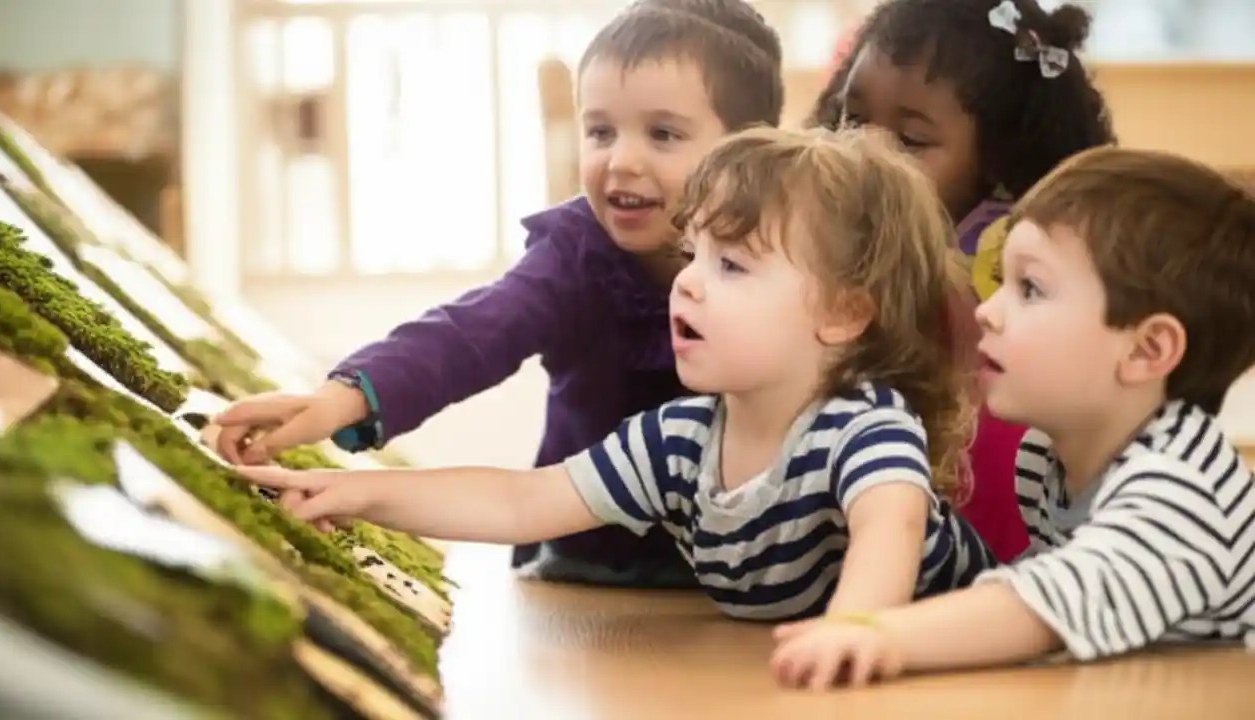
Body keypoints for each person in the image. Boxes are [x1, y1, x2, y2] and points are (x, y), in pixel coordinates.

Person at [237, 126, 997, 622]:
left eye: (731, 265)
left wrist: (846, 646)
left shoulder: (865, 425)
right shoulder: (680, 442)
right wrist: (354, 490)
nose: (688, 284)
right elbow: (520, 502)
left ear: (842, 312)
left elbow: (889, 530)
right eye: (691, 255)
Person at [210, 0, 784, 588]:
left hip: (742, 574)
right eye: (600, 130)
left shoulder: (788, 262)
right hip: (583, 564)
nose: (621, 160)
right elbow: (469, 334)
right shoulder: (575, 256)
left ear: (748, 150)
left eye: (663, 134)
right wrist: (340, 399)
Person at [770, 145, 1255, 689]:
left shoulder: (1182, 490)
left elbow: (1047, 602)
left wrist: (882, 634)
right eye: (1002, 281)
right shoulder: (1045, 461)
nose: (986, 311)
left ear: (1147, 351)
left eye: (1031, 289)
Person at [808, 0, 1117, 561]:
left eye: (910, 140)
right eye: (850, 121)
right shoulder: (822, 243)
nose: (861, 152)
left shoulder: (1000, 277)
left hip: (998, 555)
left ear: (999, 161)